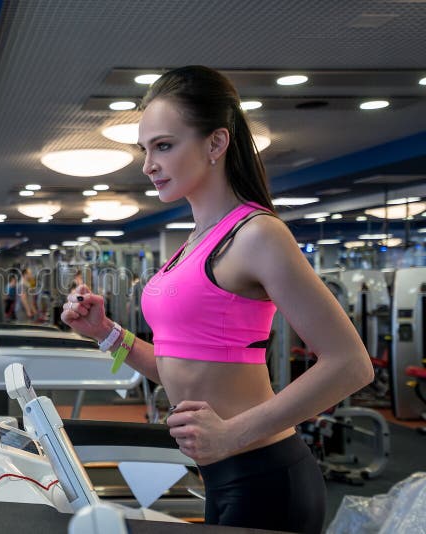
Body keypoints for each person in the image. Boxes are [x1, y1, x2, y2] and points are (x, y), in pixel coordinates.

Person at [60, 65, 373, 534]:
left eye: (164, 146)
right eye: (145, 150)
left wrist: (231, 434)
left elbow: (351, 364)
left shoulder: (257, 234)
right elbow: (177, 367)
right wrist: (106, 334)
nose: (148, 165)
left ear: (216, 143)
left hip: (264, 475)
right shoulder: (193, 242)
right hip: (222, 473)